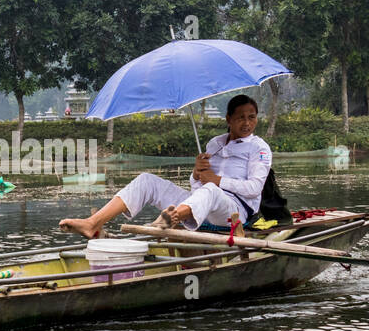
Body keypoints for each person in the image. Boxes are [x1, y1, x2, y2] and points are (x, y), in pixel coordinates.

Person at [59, 94, 279, 238]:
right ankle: (92, 223)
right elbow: (197, 190)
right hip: (205, 203)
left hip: (236, 211)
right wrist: (196, 173)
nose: (247, 123)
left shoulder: (259, 148)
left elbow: (254, 190)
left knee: (211, 190)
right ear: (228, 118)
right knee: (147, 180)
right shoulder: (215, 143)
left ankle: (169, 220)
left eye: (252, 117)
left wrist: (217, 181)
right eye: (241, 118)